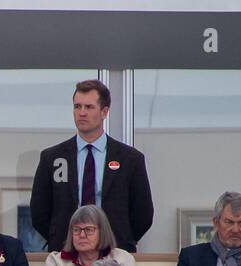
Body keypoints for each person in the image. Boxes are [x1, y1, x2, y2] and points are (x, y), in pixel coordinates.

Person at [30, 79, 153, 254]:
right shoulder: (52, 158)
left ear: (104, 112)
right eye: (77, 106)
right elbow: (39, 213)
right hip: (66, 254)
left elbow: (143, 214)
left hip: (114, 253)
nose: (81, 113)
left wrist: (120, 239)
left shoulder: (130, 159)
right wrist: (61, 239)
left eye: (89, 107)